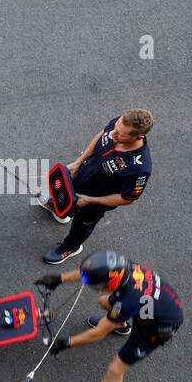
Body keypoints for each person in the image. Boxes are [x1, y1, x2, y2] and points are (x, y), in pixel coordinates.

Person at [39, 250, 183, 382]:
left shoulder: (128, 299)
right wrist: (58, 279)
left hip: (156, 327)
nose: (92, 286)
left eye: (96, 285)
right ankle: (121, 325)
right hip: (147, 305)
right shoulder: (122, 268)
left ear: (112, 281)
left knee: (116, 368)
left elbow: (97, 334)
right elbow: (88, 274)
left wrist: (66, 343)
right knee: (104, 302)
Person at [39, 109, 153, 266]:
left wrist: (90, 200)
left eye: (121, 134)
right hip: (83, 175)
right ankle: (63, 210)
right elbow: (101, 136)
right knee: (66, 196)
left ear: (138, 137)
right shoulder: (118, 124)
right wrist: (79, 162)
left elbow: (129, 199)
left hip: (95, 200)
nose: (113, 134)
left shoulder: (140, 168)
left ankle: (71, 247)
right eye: (115, 128)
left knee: (82, 223)